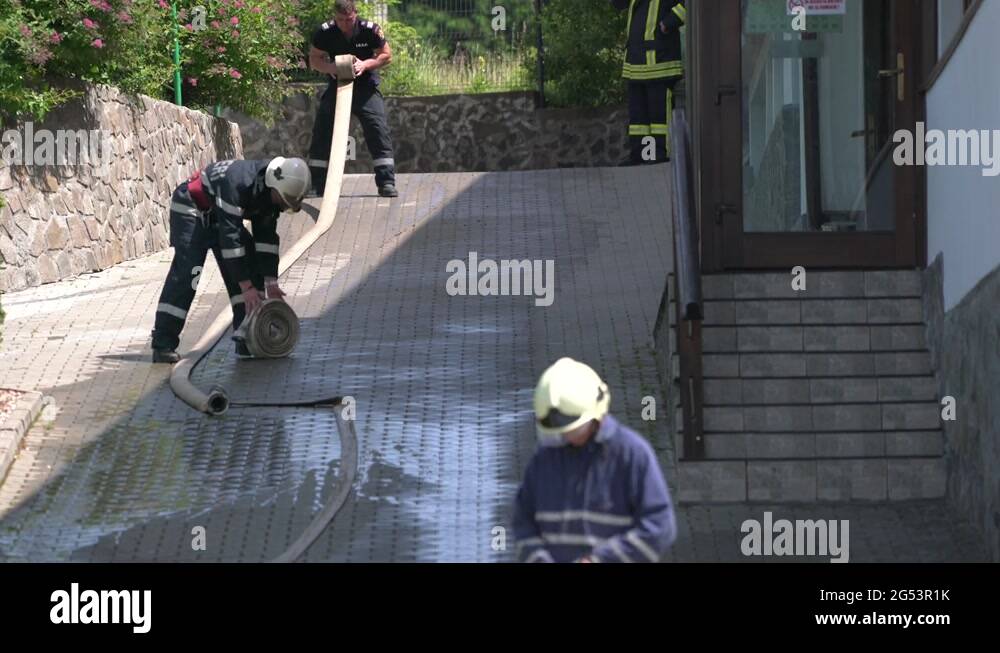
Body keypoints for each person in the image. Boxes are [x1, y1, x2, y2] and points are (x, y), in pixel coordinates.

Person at [513, 357, 677, 563]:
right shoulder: (544, 459)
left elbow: (659, 527)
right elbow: (523, 523)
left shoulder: (632, 455)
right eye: (559, 430)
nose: (566, 436)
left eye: (573, 428)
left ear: (595, 415)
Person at [150, 157, 310, 363]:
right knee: (189, 274)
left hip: (219, 215)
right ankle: (163, 343)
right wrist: (246, 287)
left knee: (252, 268)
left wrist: (271, 281)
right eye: (283, 199)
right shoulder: (238, 183)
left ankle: (248, 338)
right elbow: (231, 243)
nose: (282, 205)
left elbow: (266, 241)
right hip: (192, 208)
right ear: (274, 185)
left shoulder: (268, 194)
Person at [308, 0, 398, 198]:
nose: (344, 24)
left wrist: (366, 64)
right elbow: (314, 59)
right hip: (337, 86)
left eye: (348, 20)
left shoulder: (370, 30)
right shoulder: (325, 32)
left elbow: (386, 55)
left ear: (355, 14)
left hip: (365, 88)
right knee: (322, 131)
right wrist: (331, 68)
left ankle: (386, 183)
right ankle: (316, 185)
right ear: (335, 17)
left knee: (377, 130)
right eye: (340, 20)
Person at [611, 0, 686, 164]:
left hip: (660, 63)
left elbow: (689, 6)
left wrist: (669, 22)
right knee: (639, 119)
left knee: (658, 116)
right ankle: (643, 155)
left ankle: (659, 154)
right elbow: (618, 4)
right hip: (636, 65)